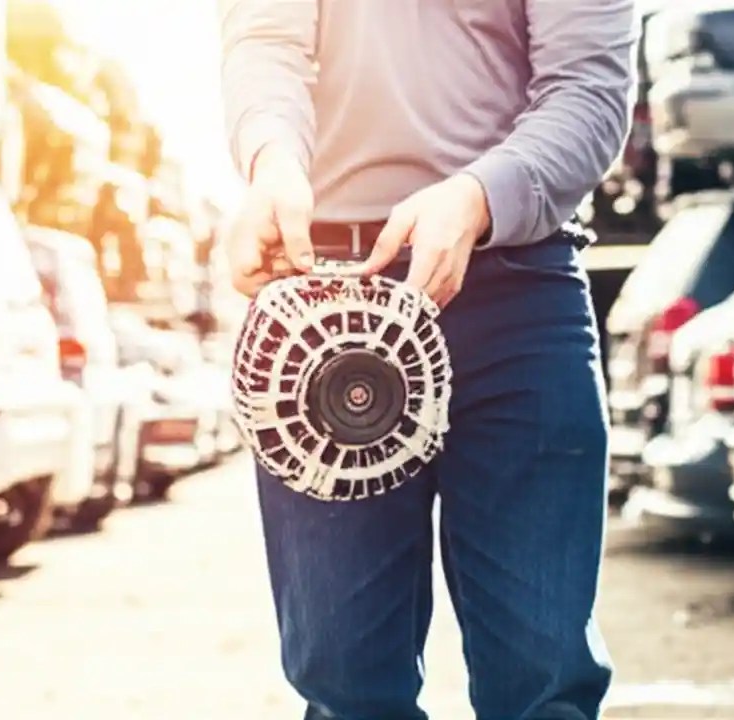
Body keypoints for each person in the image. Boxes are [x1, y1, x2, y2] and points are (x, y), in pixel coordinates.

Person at [218, 1, 636, 718]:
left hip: (518, 291)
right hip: (326, 305)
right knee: (344, 677)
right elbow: (264, 40)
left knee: (543, 678)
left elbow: (588, 87)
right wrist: (271, 161)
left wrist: (479, 195)